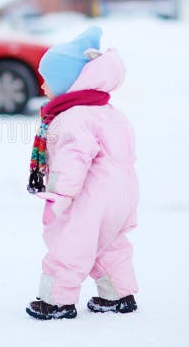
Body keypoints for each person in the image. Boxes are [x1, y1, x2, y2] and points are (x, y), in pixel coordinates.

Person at [25, 26, 139, 320]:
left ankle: (56, 302)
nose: (42, 87)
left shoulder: (73, 118)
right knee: (109, 245)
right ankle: (118, 295)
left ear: (68, 84)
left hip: (88, 199)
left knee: (68, 245)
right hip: (121, 197)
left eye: (47, 81)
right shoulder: (110, 113)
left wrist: (59, 195)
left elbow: (71, 161)